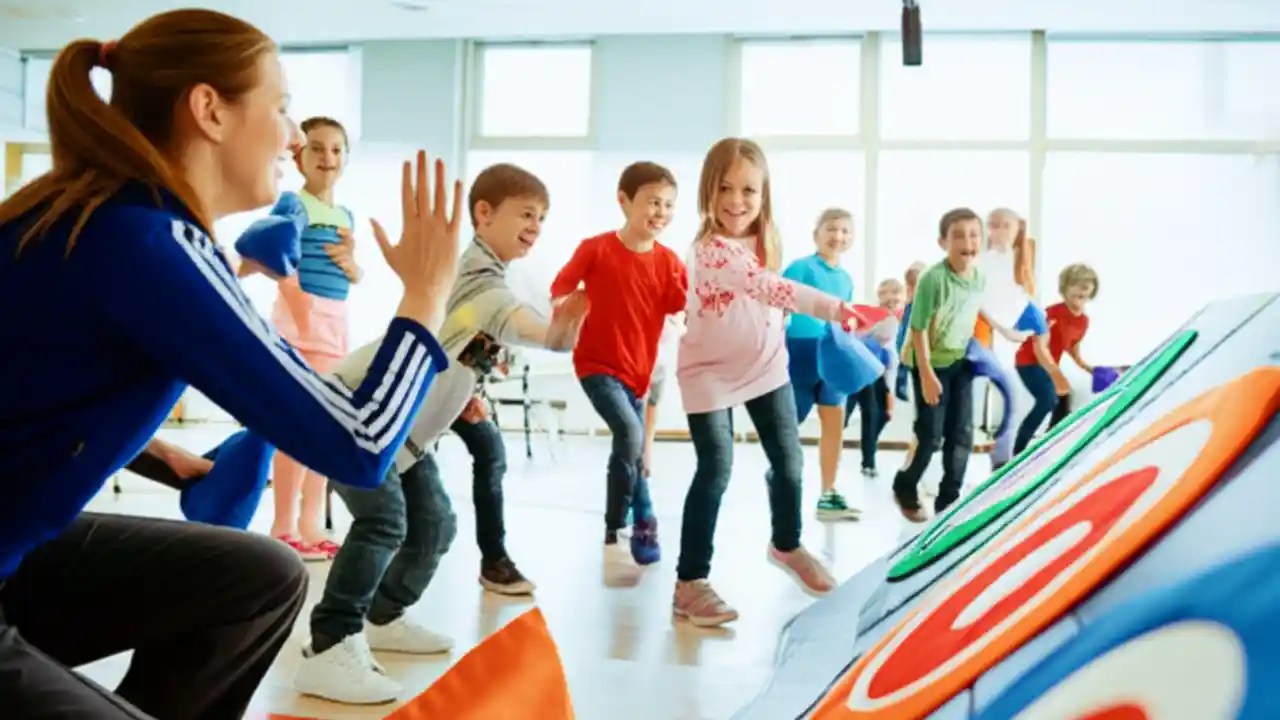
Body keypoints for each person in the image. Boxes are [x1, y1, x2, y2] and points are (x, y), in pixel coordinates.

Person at [0, 9, 462, 719]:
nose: (296, 136)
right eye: (281, 107)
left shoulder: (100, 217)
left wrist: (159, 455)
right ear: (209, 110)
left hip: (16, 557)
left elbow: (32, 383)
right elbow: (361, 444)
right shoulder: (151, 240)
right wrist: (427, 297)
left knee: (263, 576)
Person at [293, 162, 586, 704]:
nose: (535, 226)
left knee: (435, 527)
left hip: (404, 425)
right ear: (484, 213)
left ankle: (382, 616)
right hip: (359, 406)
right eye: (526, 214)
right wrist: (558, 332)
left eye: (542, 218)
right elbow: (509, 319)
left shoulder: (482, 274)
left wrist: (464, 394)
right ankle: (329, 644)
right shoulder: (480, 274)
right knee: (383, 522)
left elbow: (457, 340)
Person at [672, 138, 862, 627]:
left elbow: (766, 301)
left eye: (749, 191)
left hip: (766, 367)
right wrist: (833, 308)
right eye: (725, 189)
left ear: (764, 194)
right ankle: (690, 583)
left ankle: (787, 544)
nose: (737, 201)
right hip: (708, 372)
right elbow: (769, 288)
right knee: (716, 469)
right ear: (707, 192)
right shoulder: (710, 250)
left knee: (790, 462)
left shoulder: (767, 238)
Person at [550, 161, 687, 564]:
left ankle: (626, 516)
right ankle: (629, 521)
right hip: (595, 364)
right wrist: (567, 306)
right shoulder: (596, 248)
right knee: (630, 435)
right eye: (652, 202)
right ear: (624, 201)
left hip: (640, 373)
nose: (660, 212)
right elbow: (560, 287)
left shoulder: (670, 262)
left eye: (668, 205)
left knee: (629, 446)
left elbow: (686, 307)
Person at [266, 115, 362, 559]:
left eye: (337, 149)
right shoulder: (293, 205)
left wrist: (354, 267)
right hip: (300, 325)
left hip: (334, 324)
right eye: (318, 148)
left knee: (323, 432)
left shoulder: (345, 215)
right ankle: (283, 525)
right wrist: (301, 312)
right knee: (296, 431)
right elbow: (275, 258)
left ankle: (311, 524)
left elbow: (351, 271)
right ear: (298, 156)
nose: (328, 158)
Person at [893, 209, 988, 522]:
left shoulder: (978, 278)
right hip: (928, 362)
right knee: (931, 435)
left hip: (959, 361)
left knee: (962, 433)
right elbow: (918, 329)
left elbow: (969, 315)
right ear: (942, 242)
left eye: (973, 234)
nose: (967, 241)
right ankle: (905, 484)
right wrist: (927, 376)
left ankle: (949, 501)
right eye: (958, 235)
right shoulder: (932, 279)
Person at [780, 208, 861, 520]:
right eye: (831, 229)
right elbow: (778, 305)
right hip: (799, 355)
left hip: (833, 356)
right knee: (788, 426)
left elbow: (845, 318)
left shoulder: (845, 279)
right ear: (817, 234)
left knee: (834, 425)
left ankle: (828, 494)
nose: (838, 236)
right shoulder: (800, 267)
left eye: (844, 231)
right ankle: (783, 482)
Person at [1013, 263, 1099, 451]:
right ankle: (1019, 451)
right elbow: (1038, 346)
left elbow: (1073, 349)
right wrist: (1056, 374)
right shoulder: (1053, 313)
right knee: (1048, 399)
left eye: (1086, 285)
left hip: (1050, 366)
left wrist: (1089, 368)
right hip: (1029, 361)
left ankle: (1049, 445)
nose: (1082, 288)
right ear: (1065, 288)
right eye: (1076, 284)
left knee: (1065, 401)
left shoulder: (1083, 322)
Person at [845, 277, 906, 477]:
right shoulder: (882, 320)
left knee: (880, 415)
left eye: (896, 297)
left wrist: (890, 390)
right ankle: (867, 460)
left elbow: (892, 359)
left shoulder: (900, 321)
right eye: (886, 296)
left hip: (879, 372)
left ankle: (868, 456)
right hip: (865, 370)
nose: (891, 301)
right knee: (867, 413)